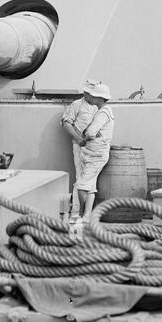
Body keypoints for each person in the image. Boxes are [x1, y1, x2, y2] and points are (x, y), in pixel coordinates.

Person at [61, 80, 114, 219]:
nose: (90, 96)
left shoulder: (99, 108)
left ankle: (86, 215)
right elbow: (66, 122)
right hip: (79, 147)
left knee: (89, 182)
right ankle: (76, 214)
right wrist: (78, 138)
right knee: (81, 180)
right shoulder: (77, 105)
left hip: (92, 150)